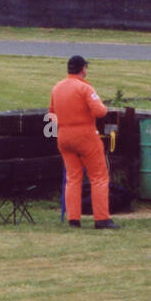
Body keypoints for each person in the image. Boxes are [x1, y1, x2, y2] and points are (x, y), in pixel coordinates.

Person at [48, 54, 115, 229]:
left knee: (73, 178)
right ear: (83, 68)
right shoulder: (85, 88)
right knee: (99, 177)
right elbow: (100, 112)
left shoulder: (57, 88)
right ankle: (101, 219)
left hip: (63, 136)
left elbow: (51, 113)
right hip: (85, 135)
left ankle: (73, 218)